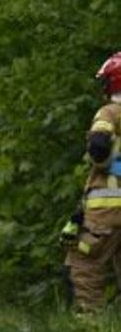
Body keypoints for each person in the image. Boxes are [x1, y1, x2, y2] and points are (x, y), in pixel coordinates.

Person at [65, 52, 121, 312]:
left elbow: (99, 145)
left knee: (85, 263)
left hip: (107, 210)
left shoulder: (110, 112)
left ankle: (92, 329)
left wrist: (104, 159)